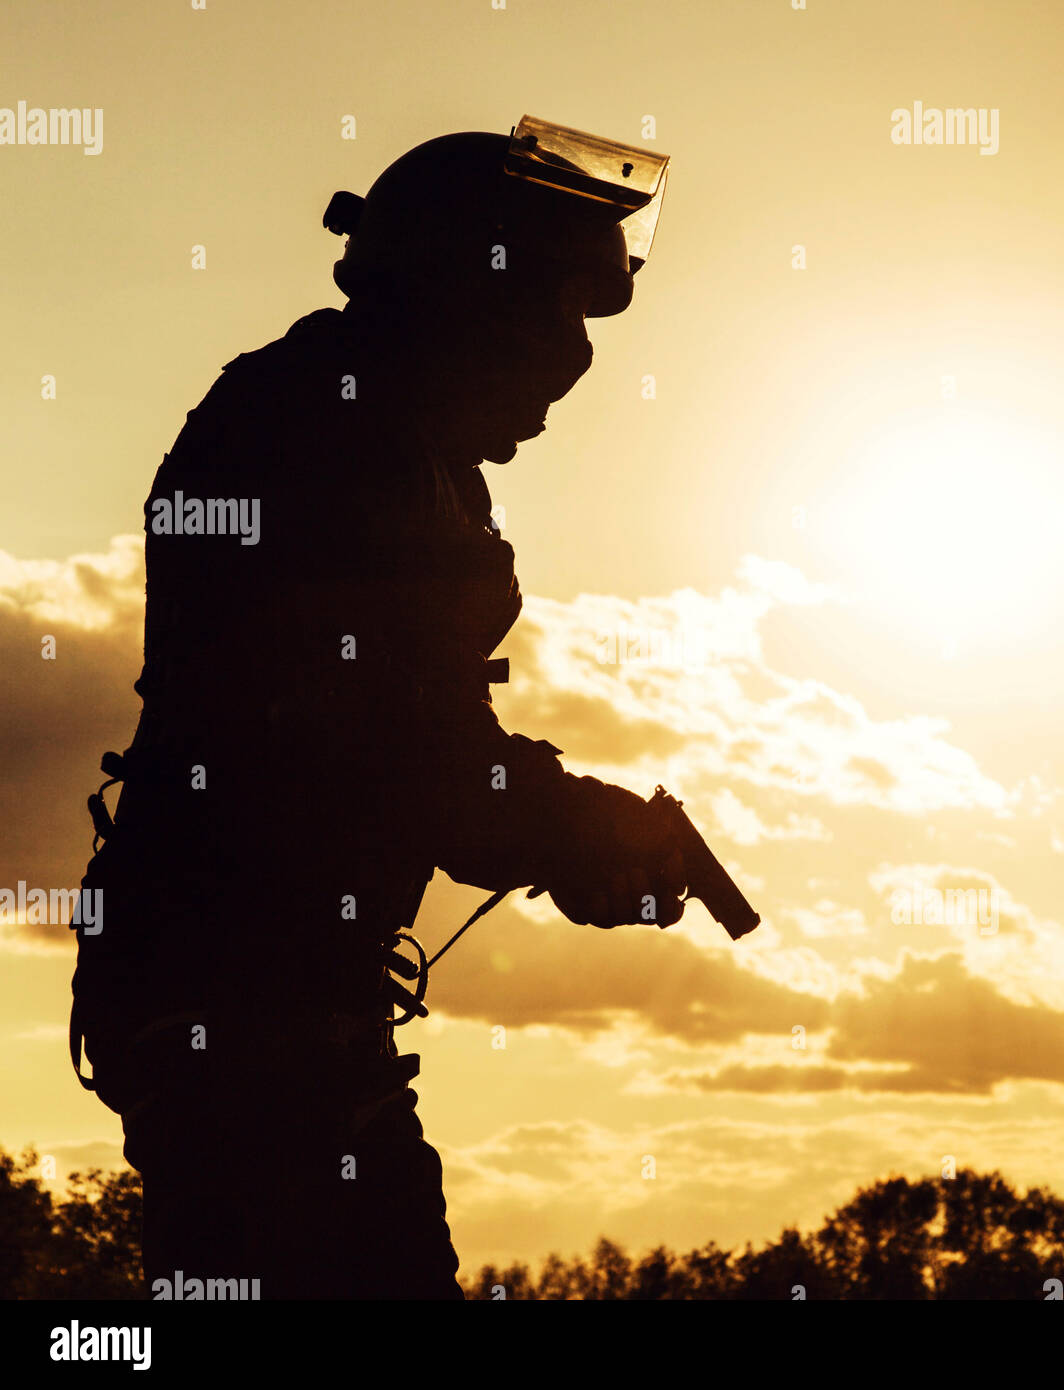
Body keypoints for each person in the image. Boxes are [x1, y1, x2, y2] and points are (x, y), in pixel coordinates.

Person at [70, 117, 685, 1299]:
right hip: (244, 998)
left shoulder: (373, 436)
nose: (562, 375)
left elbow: (416, 739)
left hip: (262, 987)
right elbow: (412, 757)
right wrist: (583, 834)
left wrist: (566, 826)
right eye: (550, 325)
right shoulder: (327, 437)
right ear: (471, 299)